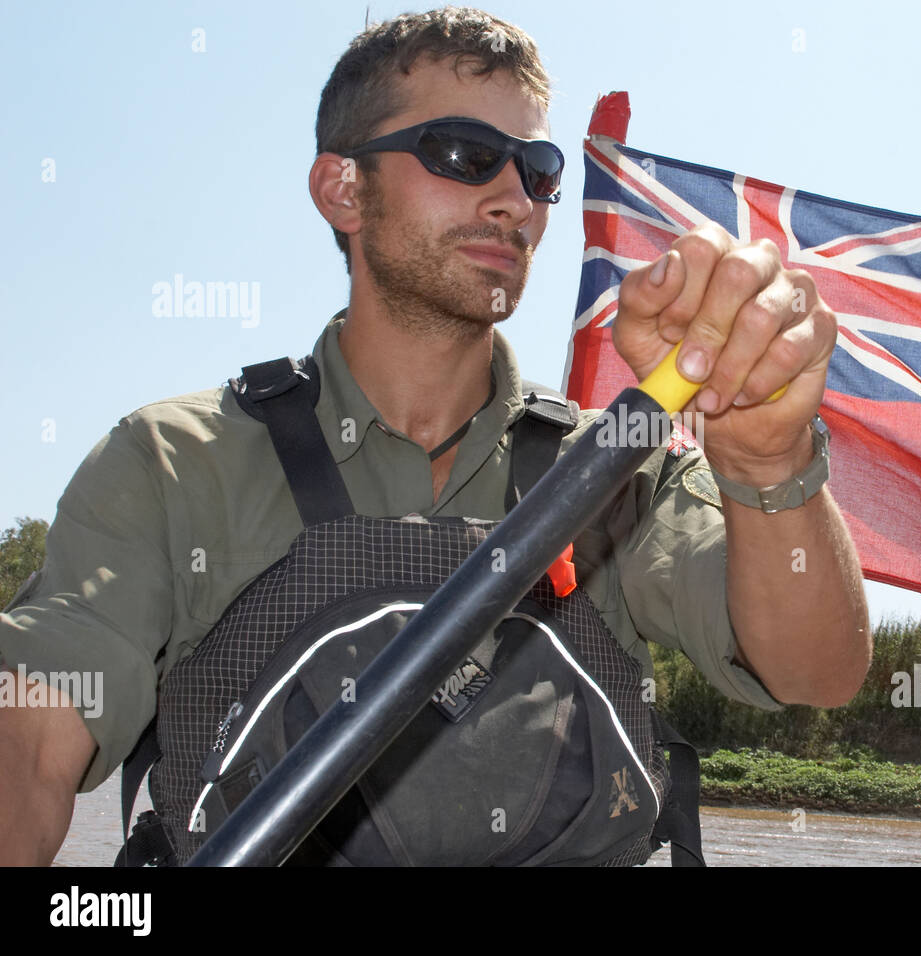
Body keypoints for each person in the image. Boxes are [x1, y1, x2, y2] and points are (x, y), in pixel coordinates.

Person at [0, 6, 870, 866]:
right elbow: (31, 743)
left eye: (537, 171)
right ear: (344, 189)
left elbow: (814, 672)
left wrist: (768, 461)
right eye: (464, 155)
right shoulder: (171, 463)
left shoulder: (615, 464)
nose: (513, 201)